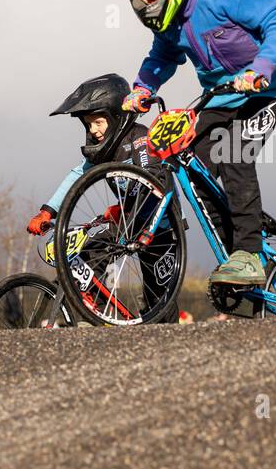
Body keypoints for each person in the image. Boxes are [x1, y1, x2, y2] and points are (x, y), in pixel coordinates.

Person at [81, 0, 276, 286]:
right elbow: (161, 57)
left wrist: (263, 66)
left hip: (265, 91)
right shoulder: (168, 23)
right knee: (193, 166)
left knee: (234, 153)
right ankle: (239, 256)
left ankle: (249, 254)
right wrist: (142, 88)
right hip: (220, 98)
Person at [25, 73, 178, 321]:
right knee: (85, 258)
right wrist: (47, 211)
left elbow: (153, 180)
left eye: (98, 123)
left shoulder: (140, 138)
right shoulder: (103, 149)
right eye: (88, 124)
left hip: (159, 228)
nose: (93, 130)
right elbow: (77, 176)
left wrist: (127, 210)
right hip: (126, 225)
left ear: (115, 117)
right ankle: (103, 318)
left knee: (160, 300)